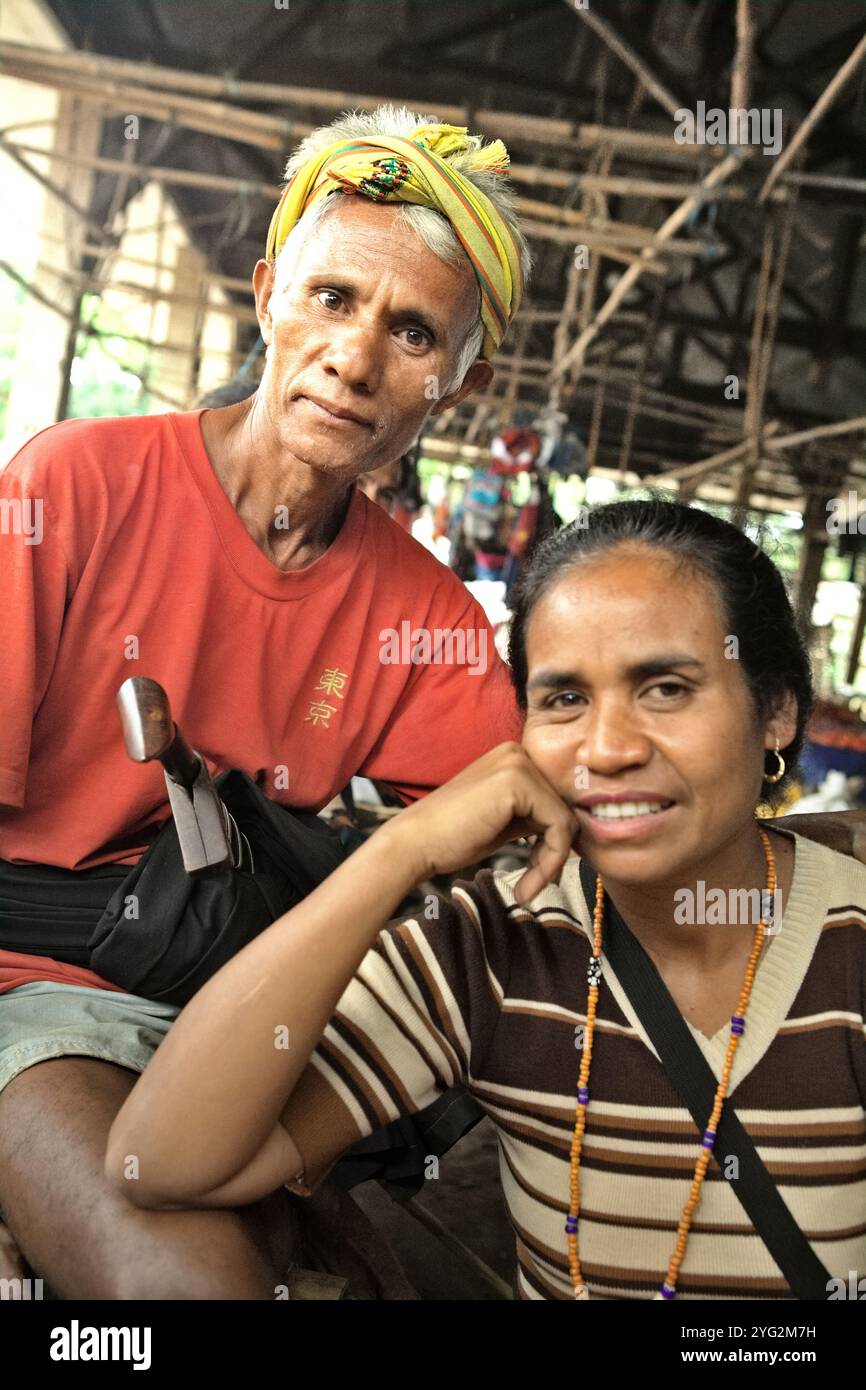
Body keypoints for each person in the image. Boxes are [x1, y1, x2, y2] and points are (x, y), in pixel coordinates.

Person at [0, 105, 531, 1298]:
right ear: (266, 297)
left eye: (410, 331)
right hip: (41, 995)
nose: (353, 356)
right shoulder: (72, 487)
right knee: (184, 1289)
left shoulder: (431, 620)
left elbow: (520, 847)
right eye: (332, 299)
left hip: (252, 1023)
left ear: (460, 379)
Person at [108, 499, 866, 1301]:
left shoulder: (849, 948)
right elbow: (161, 1163)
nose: (607, 749)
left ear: (776, 710)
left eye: (668, 688)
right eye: (564, 700)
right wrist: (400, 852)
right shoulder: (489, 947)